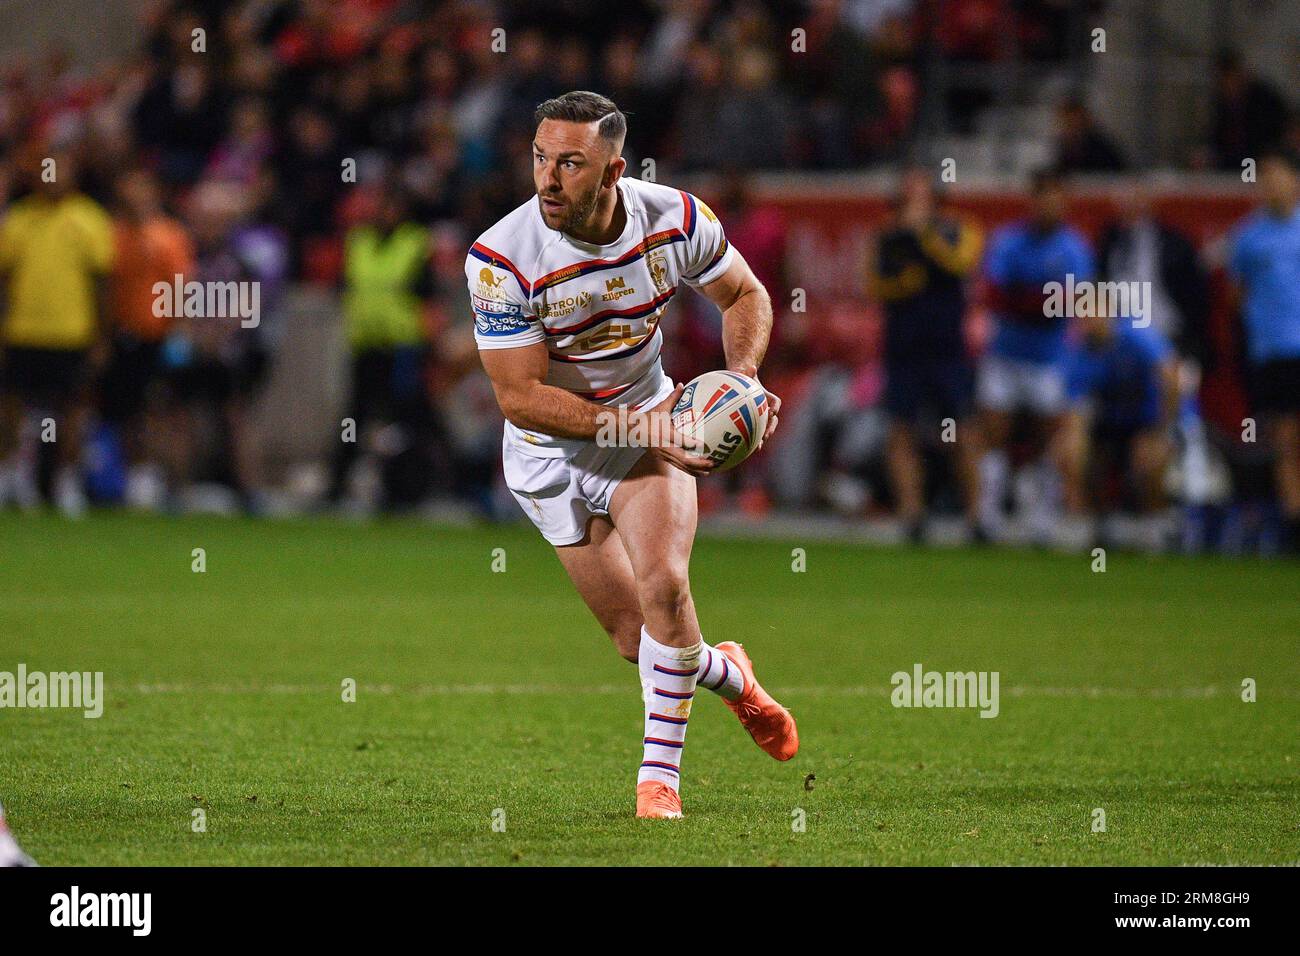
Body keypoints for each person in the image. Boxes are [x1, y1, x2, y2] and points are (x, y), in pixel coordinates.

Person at [466, 91, 796, 820]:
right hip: (548, 453)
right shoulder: (500, 257)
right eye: (540, 159)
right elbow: (519, 397)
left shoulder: (673, 219)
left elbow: (744, 294)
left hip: (648, 426)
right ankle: (731, 676)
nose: (548, 179)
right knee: (636, 640)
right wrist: (635, 429)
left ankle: (659, 784)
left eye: (571, 164)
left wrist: (741, 378)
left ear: (614, 170)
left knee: (667, 588)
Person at [976, 169, 1094, 542]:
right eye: (1041, 196)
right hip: (1005, 354)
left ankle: (1043, 519)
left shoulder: (1075, 248)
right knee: (994, 433)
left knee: (1048, 438)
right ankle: (988, 515)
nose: (1047, 204)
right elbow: (994, 295)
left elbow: (1070, 303)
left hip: (1049, 358)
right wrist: (1040, 300)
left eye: (1055, 196)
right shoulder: (1008, 240)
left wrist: (1027, 298)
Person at [870, 167, 983, 539]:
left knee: (961, 429)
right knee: (900, 431)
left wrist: (924, 235)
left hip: (947, 349)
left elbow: (961, 264)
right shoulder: (886, 236)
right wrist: (907, 282)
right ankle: (912, 516)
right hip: (904, 350)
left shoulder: (957, 229)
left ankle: (977, 517)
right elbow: (876, 284)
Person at [0, 151, 115, 516]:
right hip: (23, 331)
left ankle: (65, 481)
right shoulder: (17, 220)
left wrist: (101, 337)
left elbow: (102, 286)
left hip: (71, 334)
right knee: (11, 410)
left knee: (72, 412)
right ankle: (11, 477)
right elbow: (4, 282)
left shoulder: (89, 220)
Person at [104, 167, 195, 508]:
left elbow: (181, 287)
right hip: (122, 336)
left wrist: (180, 332)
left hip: (158, 336)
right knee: (124, 411)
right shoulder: (113, 233)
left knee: (162, 410)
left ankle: (170, 483)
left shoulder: (169, 235)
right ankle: (130, 476)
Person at [1227, 153, 1300, 553]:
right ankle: (1292, 522)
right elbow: (1236, 296)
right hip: (1272, 352)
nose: (1271, 185)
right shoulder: (1248, 237)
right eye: (1265, 178)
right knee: (1285, 439)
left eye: (1279, 177)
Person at [1057, 310, 1179, 550]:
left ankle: (1155, 523)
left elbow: (1170, 375)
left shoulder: (1138, 337)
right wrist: (1075, 449)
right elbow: (1074, 411)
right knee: (1068, 449)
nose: (1088, 320)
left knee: (1148, 456)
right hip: (1109, 426)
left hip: (1149, 421)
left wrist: (1163, 429)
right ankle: (1085, 521)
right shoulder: (1080, 352)